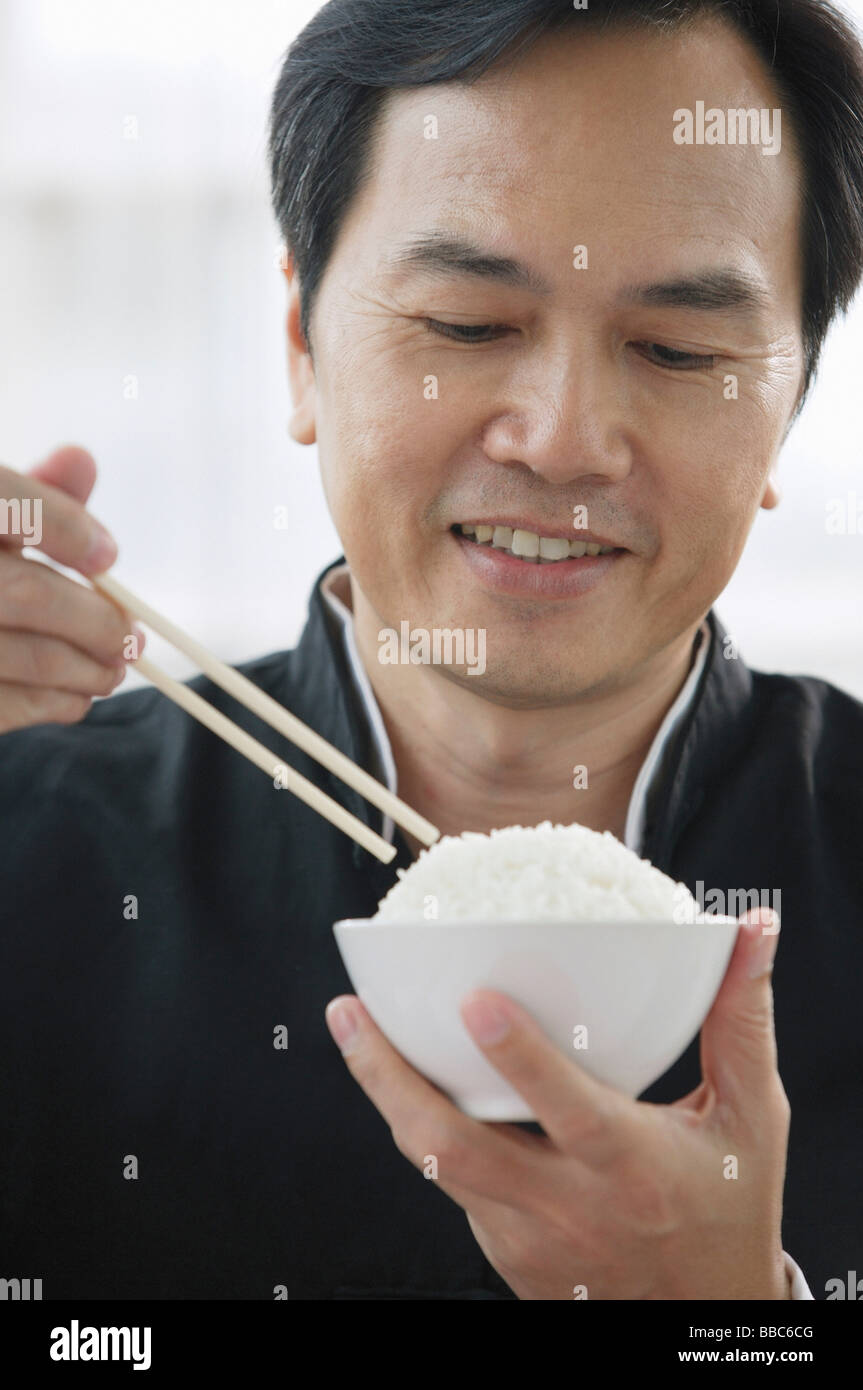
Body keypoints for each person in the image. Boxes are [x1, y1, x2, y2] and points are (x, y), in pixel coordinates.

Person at [2, 0, 862, 1300]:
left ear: (790, 398)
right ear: (300, 343)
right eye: (468, 324)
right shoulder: (32, 832)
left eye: (678, 348)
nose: (564, 438)